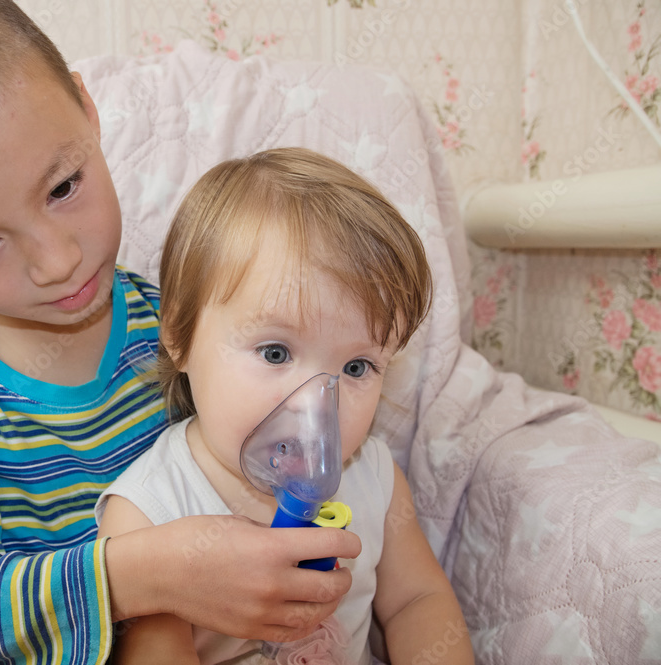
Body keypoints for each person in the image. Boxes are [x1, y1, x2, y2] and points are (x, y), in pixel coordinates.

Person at [0, 2, 360, 663]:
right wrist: (140, 573)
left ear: (87, 110)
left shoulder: (174, 334)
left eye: (63, 186)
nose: (57, 261)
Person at [97, 147, 474, 665]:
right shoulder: (149, 511)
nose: (313, 407)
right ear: (179, 336)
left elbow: (416, 600)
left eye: (358, 367)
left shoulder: (375, 478)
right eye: (275, 353)